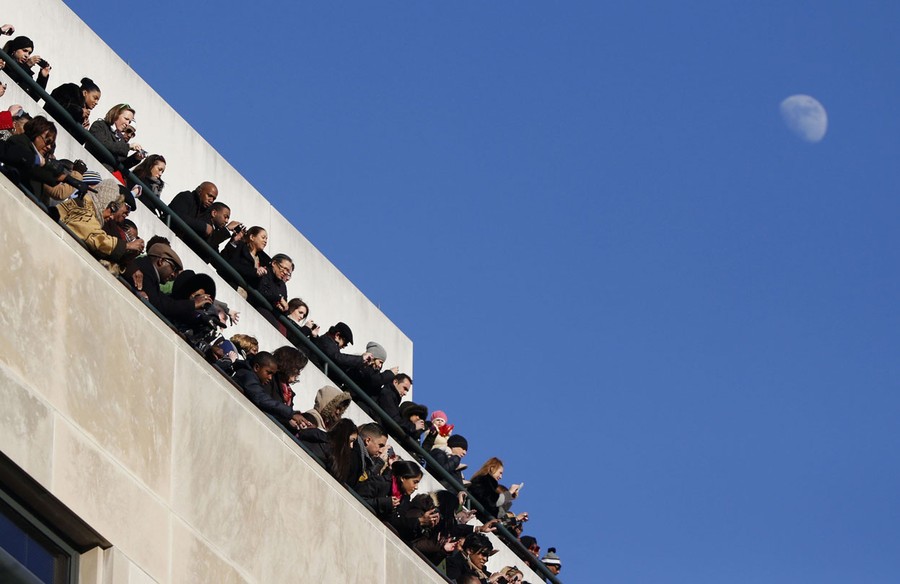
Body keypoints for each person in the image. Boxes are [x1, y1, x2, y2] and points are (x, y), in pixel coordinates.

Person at [56, 178, 145, 268]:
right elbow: (96, 237)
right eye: (112, 209)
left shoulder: (88, 208)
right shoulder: (82, 208)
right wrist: (127, 246)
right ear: (105, 200)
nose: (111, 216)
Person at [125, 242, 215, 324]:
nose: (173, 275)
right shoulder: (145, 270)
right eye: (173, 268)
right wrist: (193, 303)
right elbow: (158, 304)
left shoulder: (152, 276)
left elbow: (166, 300)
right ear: (161, 261)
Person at [88, 104, 145, 171]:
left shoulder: (120, 139)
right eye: (126, 119)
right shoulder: (99, 125)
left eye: (129, 121)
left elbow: (121, 164)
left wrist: (136, 158)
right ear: (116, 114)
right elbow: (103, 144)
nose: (127, 123)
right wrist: (128, 147)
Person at [468, 457, 524, 523]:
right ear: (492, 469)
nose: (501, 477)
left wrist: (510, 497)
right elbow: (493, 502)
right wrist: (509, 493)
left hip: (479, 521)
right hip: (475, 519)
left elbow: (498, 517)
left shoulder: (487, 482)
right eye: (500, 473)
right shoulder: (484, 480)